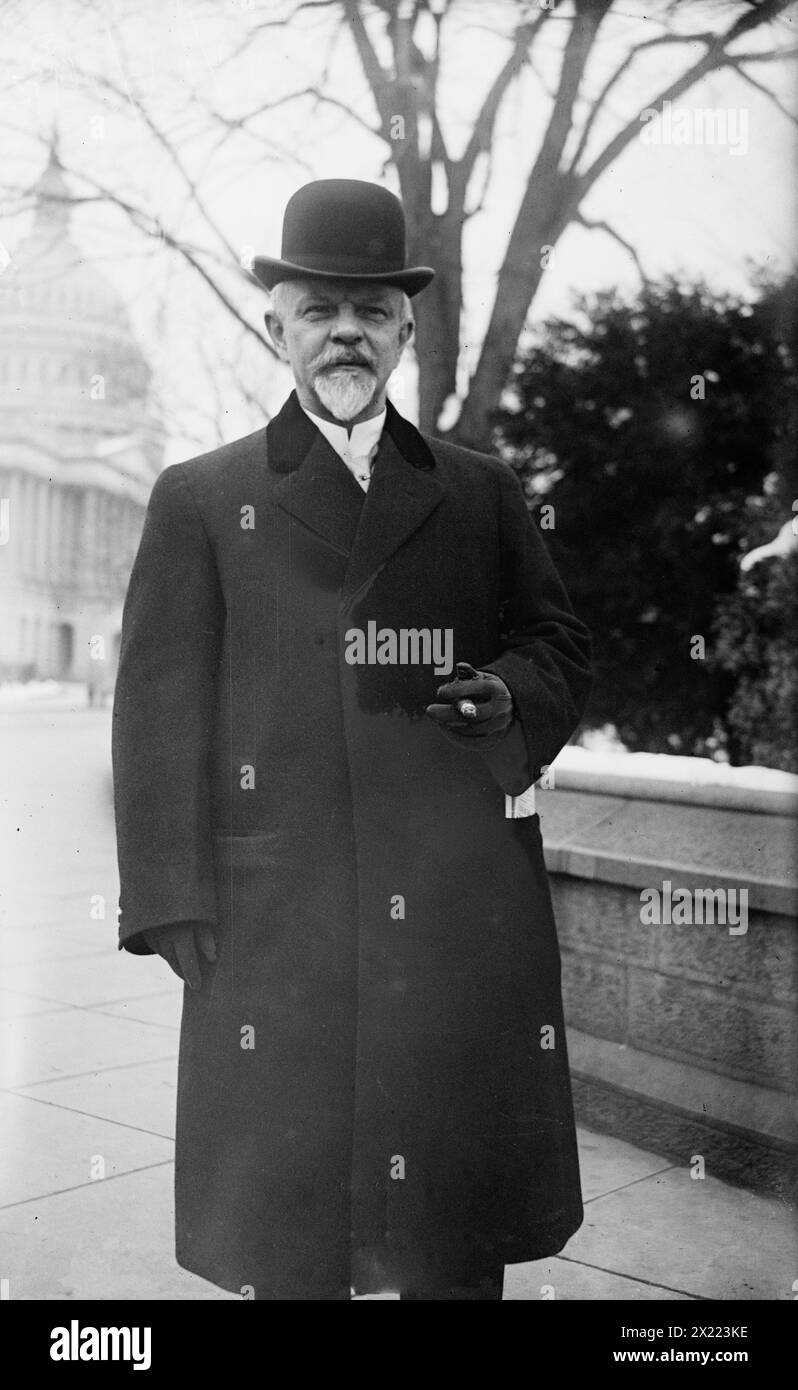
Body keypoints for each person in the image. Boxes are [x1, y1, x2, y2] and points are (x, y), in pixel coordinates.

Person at [112, 179, 592, 1301]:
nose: (346, 334)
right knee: (292, 1232)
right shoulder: (202, 497)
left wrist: (511, 696)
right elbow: (156, 712)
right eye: (320, 308)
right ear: (277, 323)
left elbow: (561, 644)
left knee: (448, 1232)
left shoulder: (480, 492)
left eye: (372, 312)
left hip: (452, 914)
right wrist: (170, 894)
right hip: (281, 925)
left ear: (405, 331)